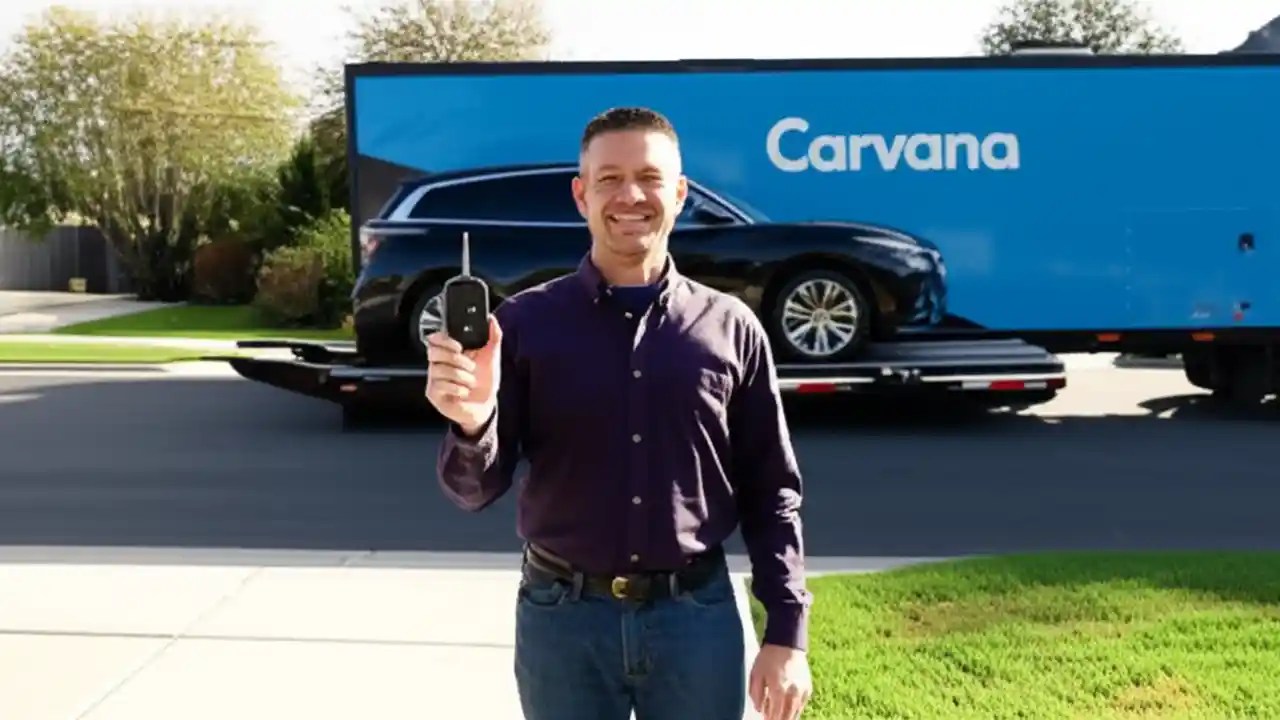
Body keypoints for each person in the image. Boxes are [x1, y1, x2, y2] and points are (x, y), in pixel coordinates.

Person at [424, 106, 813, 720]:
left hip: (696, 622)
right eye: (609, 179)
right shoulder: (523, 325)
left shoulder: (731, 328)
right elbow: (472, 491)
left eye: (650, 178)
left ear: (680, 194)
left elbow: (772, 492)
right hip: (563, 624)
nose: (630, 195)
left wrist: (787, 632)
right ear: (581, 196)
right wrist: (473, 423)